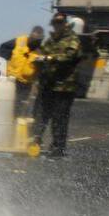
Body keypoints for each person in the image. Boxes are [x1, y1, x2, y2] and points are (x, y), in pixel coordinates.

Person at [31, 13, 82, 158]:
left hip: (64, 86)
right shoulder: (50, 40)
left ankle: (58, 147)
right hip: (48, 84)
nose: (56, 26)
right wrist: (38, 57)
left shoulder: (73, 39)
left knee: (59, 118)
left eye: (59, 23)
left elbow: (70, 56)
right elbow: (42, 52)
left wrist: (50, 58)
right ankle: (35, 142)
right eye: (55, 23)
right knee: (41, 115)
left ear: (65, 24)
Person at [0, 26, 44, 117]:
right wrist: (2, 67)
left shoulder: (40, 52)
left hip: (25, 84)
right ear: (30, 35)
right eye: (33, 39)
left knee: (19, 108)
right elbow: (3, 48)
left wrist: (36, 84)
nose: (35, 42)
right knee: (7, 105)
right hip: (11, 81)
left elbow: (40, 71)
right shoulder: (19, 41)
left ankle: (15, 125)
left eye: (38, 40)